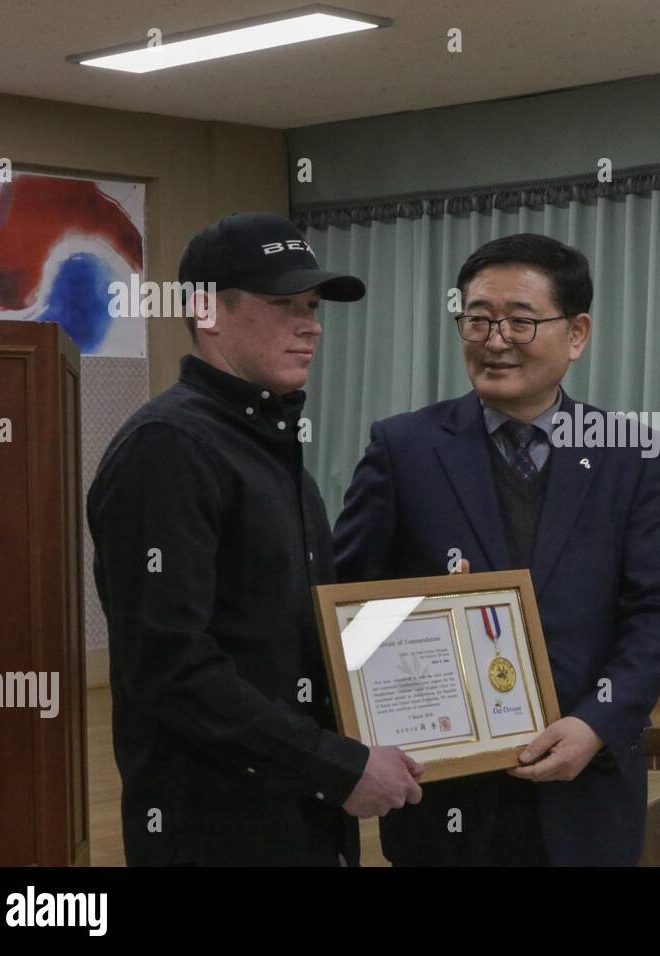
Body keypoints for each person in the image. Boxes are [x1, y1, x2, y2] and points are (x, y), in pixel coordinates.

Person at [333, 233, 660, 865]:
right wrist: (424, 609)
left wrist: (596, 725)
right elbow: (347, 612)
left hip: (588, 785)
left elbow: (658, 611)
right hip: (447, 795)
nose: (494, 341)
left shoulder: (627, 453)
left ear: (576, 333)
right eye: (477, 319)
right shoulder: (404, 448)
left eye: (520, 322)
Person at [87, 212, 423, 866]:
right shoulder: (170, 448)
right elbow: (171, 668)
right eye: (282, 304)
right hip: (216, 828)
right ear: (206, 311)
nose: (311, 324)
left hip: (299, 813)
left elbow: (286, 631)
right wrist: (336, 765)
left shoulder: (268, 445)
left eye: (312, 306)